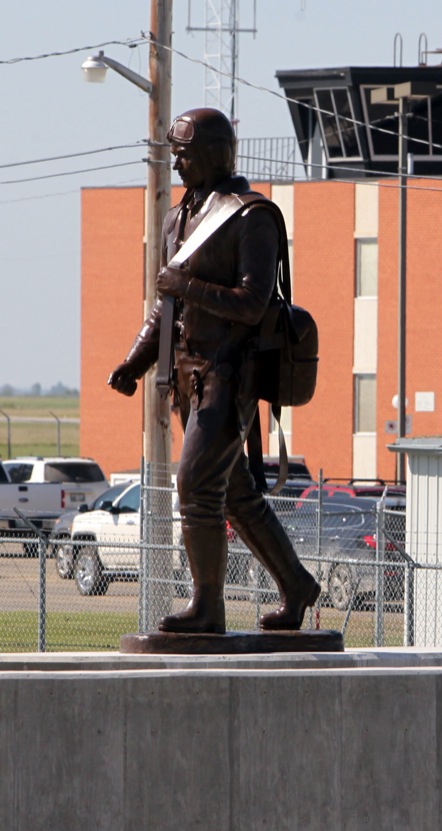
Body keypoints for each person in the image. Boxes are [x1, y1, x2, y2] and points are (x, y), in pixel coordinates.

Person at [107, 107, 320, 634]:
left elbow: (253, 302)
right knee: (236, 493)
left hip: (228, 374)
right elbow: (165, 306)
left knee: (197, 485)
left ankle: (207, 607)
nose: (177, 163)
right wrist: (134, 361)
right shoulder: (176, 218)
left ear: (214, 155)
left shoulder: (251, 216)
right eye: (175, 154)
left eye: (184, 154)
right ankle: (296, 585)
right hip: (185, 375)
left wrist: (187, 286)